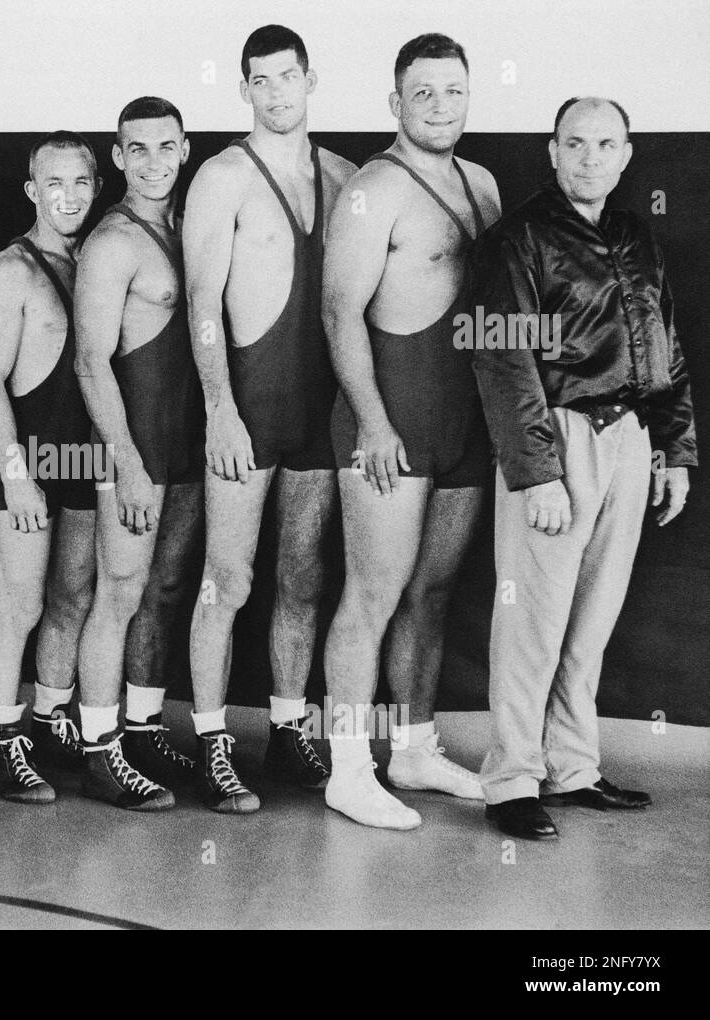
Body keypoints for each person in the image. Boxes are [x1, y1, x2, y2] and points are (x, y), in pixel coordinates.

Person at [473, 97, 695, 841]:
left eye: (606, 144)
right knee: (530, 623)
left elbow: (665, 348)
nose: (590, 157)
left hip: (629, 438)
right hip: (558, 438)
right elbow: (504, 361)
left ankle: (572, 766)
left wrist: (675, 450)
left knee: (590, 622)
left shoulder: (635, 235)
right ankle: (511, 780)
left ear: (627, 153)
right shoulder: (519, 238)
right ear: (552, 150)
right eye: (576, 143)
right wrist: (536, 475)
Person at [321, 34, 501, 829]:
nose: (438, 105)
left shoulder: (484, 186)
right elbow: (339, 311)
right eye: (421, 92)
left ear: (469, 97)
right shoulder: (371, 190)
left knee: (431, 594)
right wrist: (373, 423)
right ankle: (349, 766)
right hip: (388, 420)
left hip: (464, 420)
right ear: (395, 103)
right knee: (372, 595)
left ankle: (415, 747)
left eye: (451, 91)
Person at [184, 25, 357, 813]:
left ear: (310, 79)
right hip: (246, 411)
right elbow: (202, 302)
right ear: (244, 88)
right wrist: (220, 408)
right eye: (262, 80)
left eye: (289, 77)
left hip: (319, 417)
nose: (277, 92)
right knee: (227, 580)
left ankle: (290, 728)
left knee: (302, 577)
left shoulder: (347, 177)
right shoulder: (223, 178)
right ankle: (216, 742)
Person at [73, 97, 206, 811]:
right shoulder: (112, 242)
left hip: (181, 441)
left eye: (166, 147)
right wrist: (123, 461)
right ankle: (98, 751)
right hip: (133, 447)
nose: (153, 162)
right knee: (118, 593)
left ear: (184, 150)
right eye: (138, 149)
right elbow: (91, 362)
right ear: (118, 158)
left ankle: (144, 725)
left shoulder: (185, 227)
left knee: (165, 591)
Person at [0, 131, 101, 802]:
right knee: (19, 603)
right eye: (55, 183)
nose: (68, 196)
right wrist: (15, 474)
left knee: (72, 598)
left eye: (80, 182)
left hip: (84, 455)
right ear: (31, 190)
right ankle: (3, 740)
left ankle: (52, 719)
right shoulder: (9, 272)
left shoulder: (97, 261)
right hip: (28, 458)